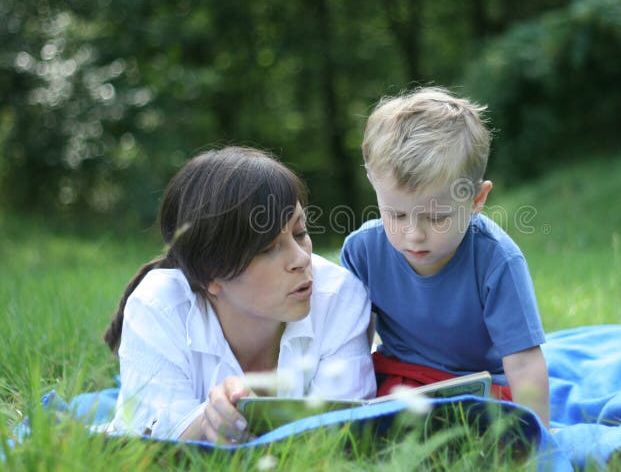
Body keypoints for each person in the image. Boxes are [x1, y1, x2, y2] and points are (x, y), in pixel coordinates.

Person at [104, 146, 376, 443]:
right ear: (210, 274)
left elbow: (346, 430)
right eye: (268, 248)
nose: (301, 259)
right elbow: (151, 442)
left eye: (300, 233)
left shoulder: (339, 295)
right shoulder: (158, 305)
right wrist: (210, 418)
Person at [341, 87, 550, 427]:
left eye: (437, 217)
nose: (414, 234)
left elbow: (524, 363)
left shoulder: (496, 260)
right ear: (373, 185)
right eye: (396, 215)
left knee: (493, 425)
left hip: (479, 385)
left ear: (476, 199)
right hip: (401, 378)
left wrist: (539, 434)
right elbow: (350, 347)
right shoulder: (362, 251)